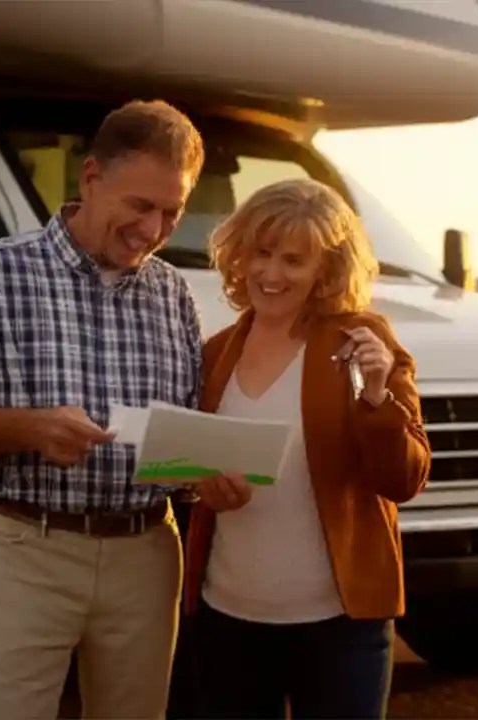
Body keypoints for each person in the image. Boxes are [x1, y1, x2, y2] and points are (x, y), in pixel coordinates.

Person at [0, 99, 206, 720]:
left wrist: (211, 473)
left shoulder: (174, 293)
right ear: (91, 177)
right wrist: (30, 427)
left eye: (171, 212)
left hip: (148, 553)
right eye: (140, 205)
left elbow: (183, 431)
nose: (153, 229)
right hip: (29, 549)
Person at [179, 178, 432, 719]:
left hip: (340, 629)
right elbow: (191, 467)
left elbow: (403, 480)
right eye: (262, 253)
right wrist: (202, 485)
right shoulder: (216, 353)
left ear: (327, 270)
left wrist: (377, 396)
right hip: (228, 624)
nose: (270, 273)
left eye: (293, 260)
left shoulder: (362, 343)